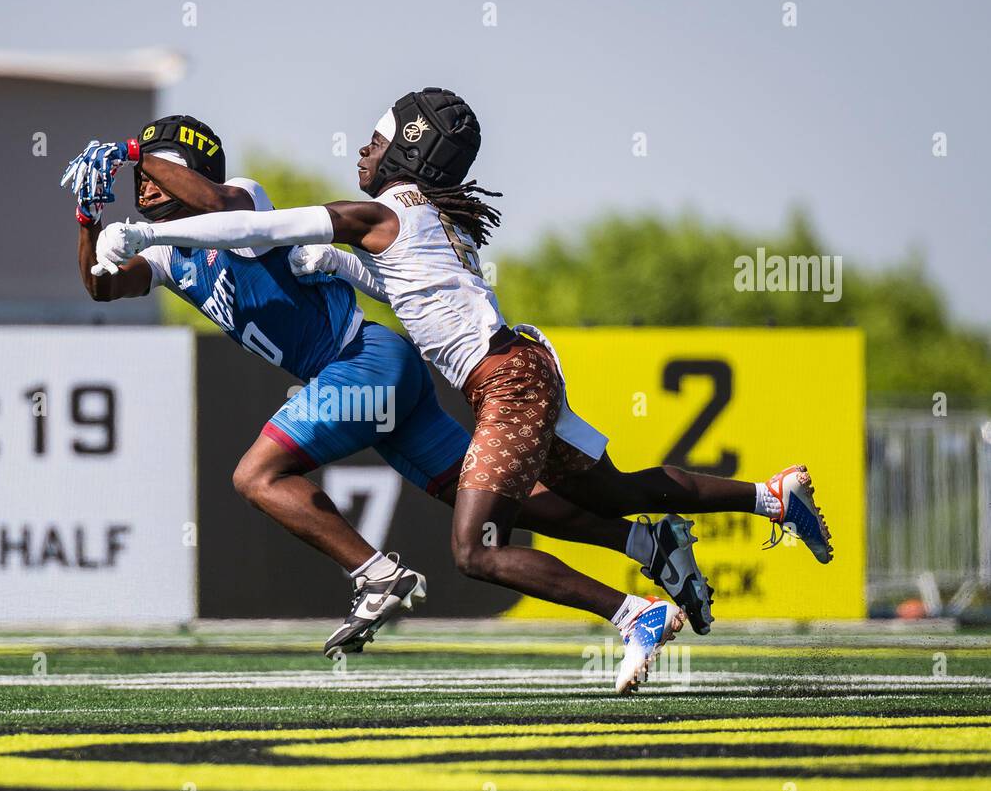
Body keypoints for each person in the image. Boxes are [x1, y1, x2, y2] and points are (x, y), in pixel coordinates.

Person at [90, 91, 834, 692]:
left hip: (500, 382)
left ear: (406, 155)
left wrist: (147, 215)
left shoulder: (384, 209)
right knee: (607, 495)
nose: (361, 152)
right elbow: (387, 280)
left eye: (376, 143)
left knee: (475, 552)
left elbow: (260, 224)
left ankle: (633, 614)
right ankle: (763, 499)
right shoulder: (417, 217)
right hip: (513, 372)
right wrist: (105, 222)